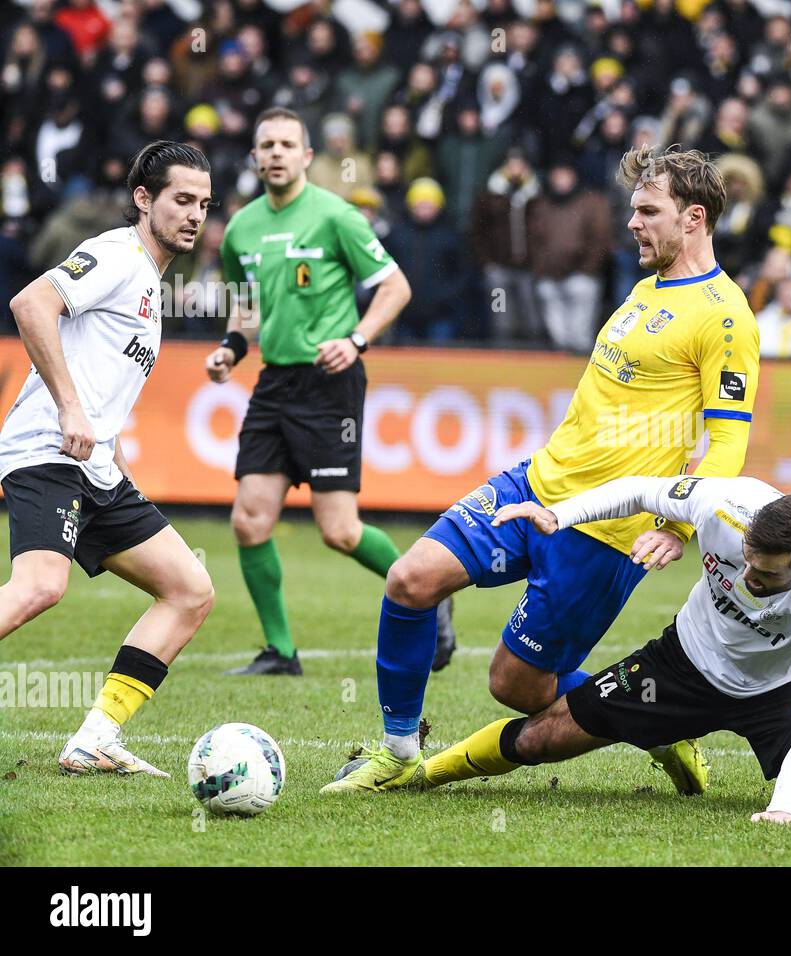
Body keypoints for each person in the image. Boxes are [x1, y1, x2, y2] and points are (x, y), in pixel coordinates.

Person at [323, 145, 761, 797]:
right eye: (632, 209)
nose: (632, 222)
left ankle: (658, 726)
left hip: (605, 530)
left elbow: (726, 444)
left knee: (515, 687)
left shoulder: (726, 317)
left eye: (648, 210)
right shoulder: (645, 290)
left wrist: (679, 526)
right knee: (411, 579)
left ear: (694, 218)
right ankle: (397, 750)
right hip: (534, 485)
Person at [416, 475, 791, 824]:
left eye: (765, 573)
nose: (747, 577)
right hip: (682, 663)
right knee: (541, 740)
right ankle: (421, 772)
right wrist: (560, 515)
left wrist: (785, 807)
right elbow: (640, 491)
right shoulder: (726, 506)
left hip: (779, 691)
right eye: (746, 561)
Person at [206, 107, 452, 676]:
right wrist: (230, 350)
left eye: (286, 144)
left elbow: (395, 286)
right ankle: (281, 653)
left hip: (331, 384)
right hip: (275, 382)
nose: (275, 153)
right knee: (248, 520)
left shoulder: (337, 216)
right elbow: (247, 310)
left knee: (339, 531)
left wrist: (358, 339)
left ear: (307, 156)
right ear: (253, 156)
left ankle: (431, 592)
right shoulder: (241, 229)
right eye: (265, 144)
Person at [0, 141, 216, 775]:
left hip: (95, 469)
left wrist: (100, 438)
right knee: (41, 585)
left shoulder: (149, 282)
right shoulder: (118, 255)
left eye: (203, 203)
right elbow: (30, 303)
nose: (194, 214)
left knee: (189, 590)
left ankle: (94, 739)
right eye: (181, 199)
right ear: (143, 200)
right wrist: (70, 407)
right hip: (47, 449)